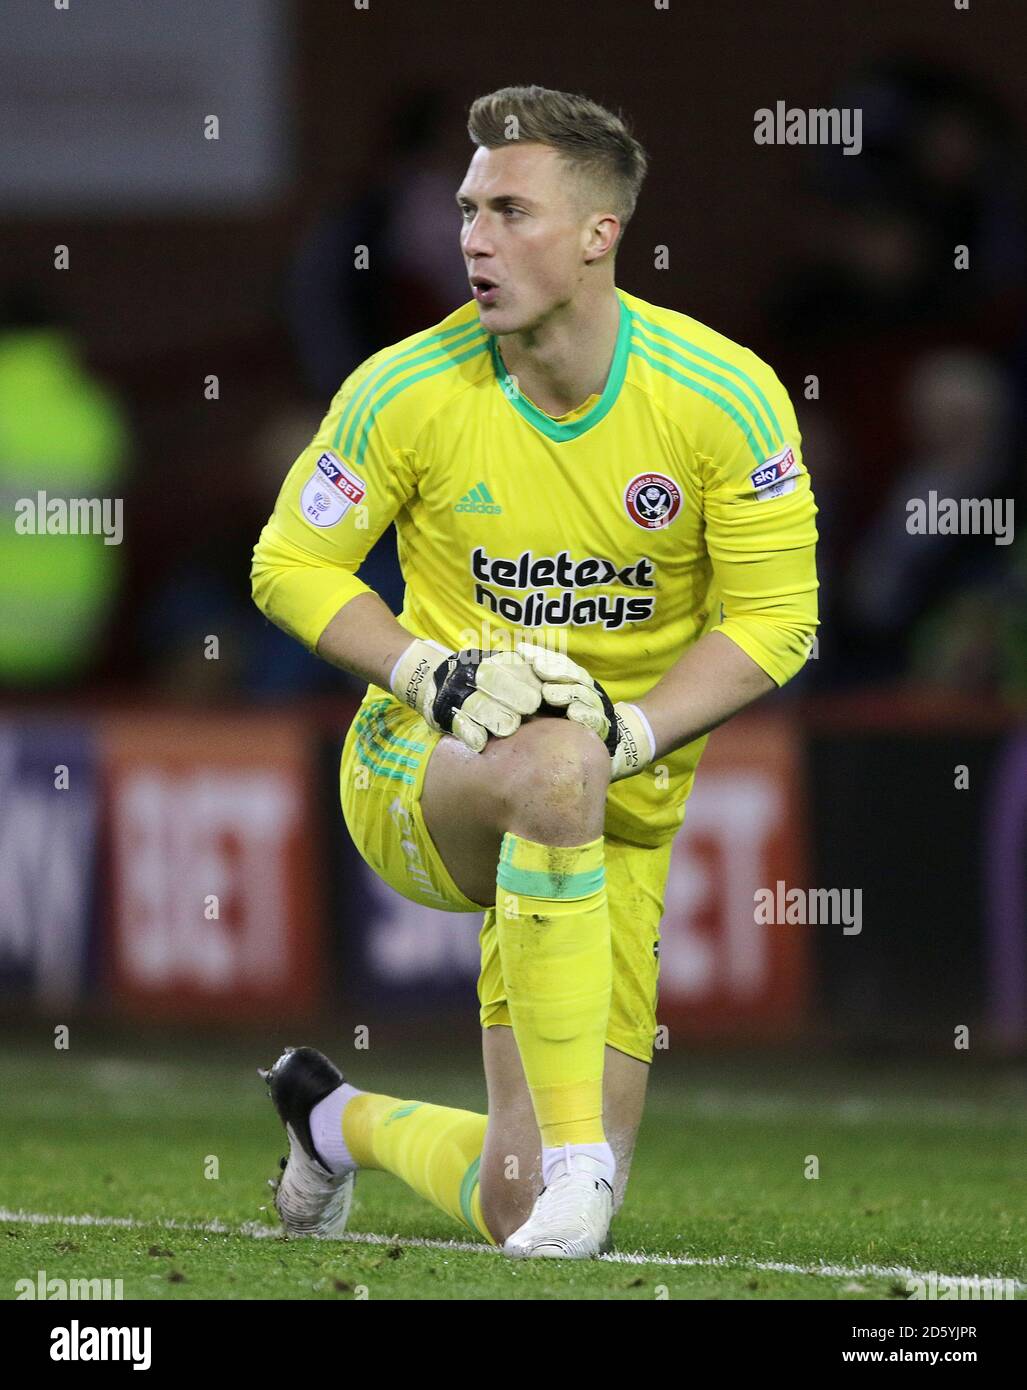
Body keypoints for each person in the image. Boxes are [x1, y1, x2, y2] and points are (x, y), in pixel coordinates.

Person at [251, 85, 819, 1259]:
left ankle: (334, 1120)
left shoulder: (722, 398)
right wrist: (426, 672)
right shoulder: (406, 388)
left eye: (511, 210)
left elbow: (779, 623)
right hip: (421, 762)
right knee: (552, 761)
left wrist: (634, 738)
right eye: (466, 208)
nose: (472, 236)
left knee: (517, 1209)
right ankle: (579, 1163)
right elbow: (287, 562)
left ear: (599, 233)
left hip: (617, 804)